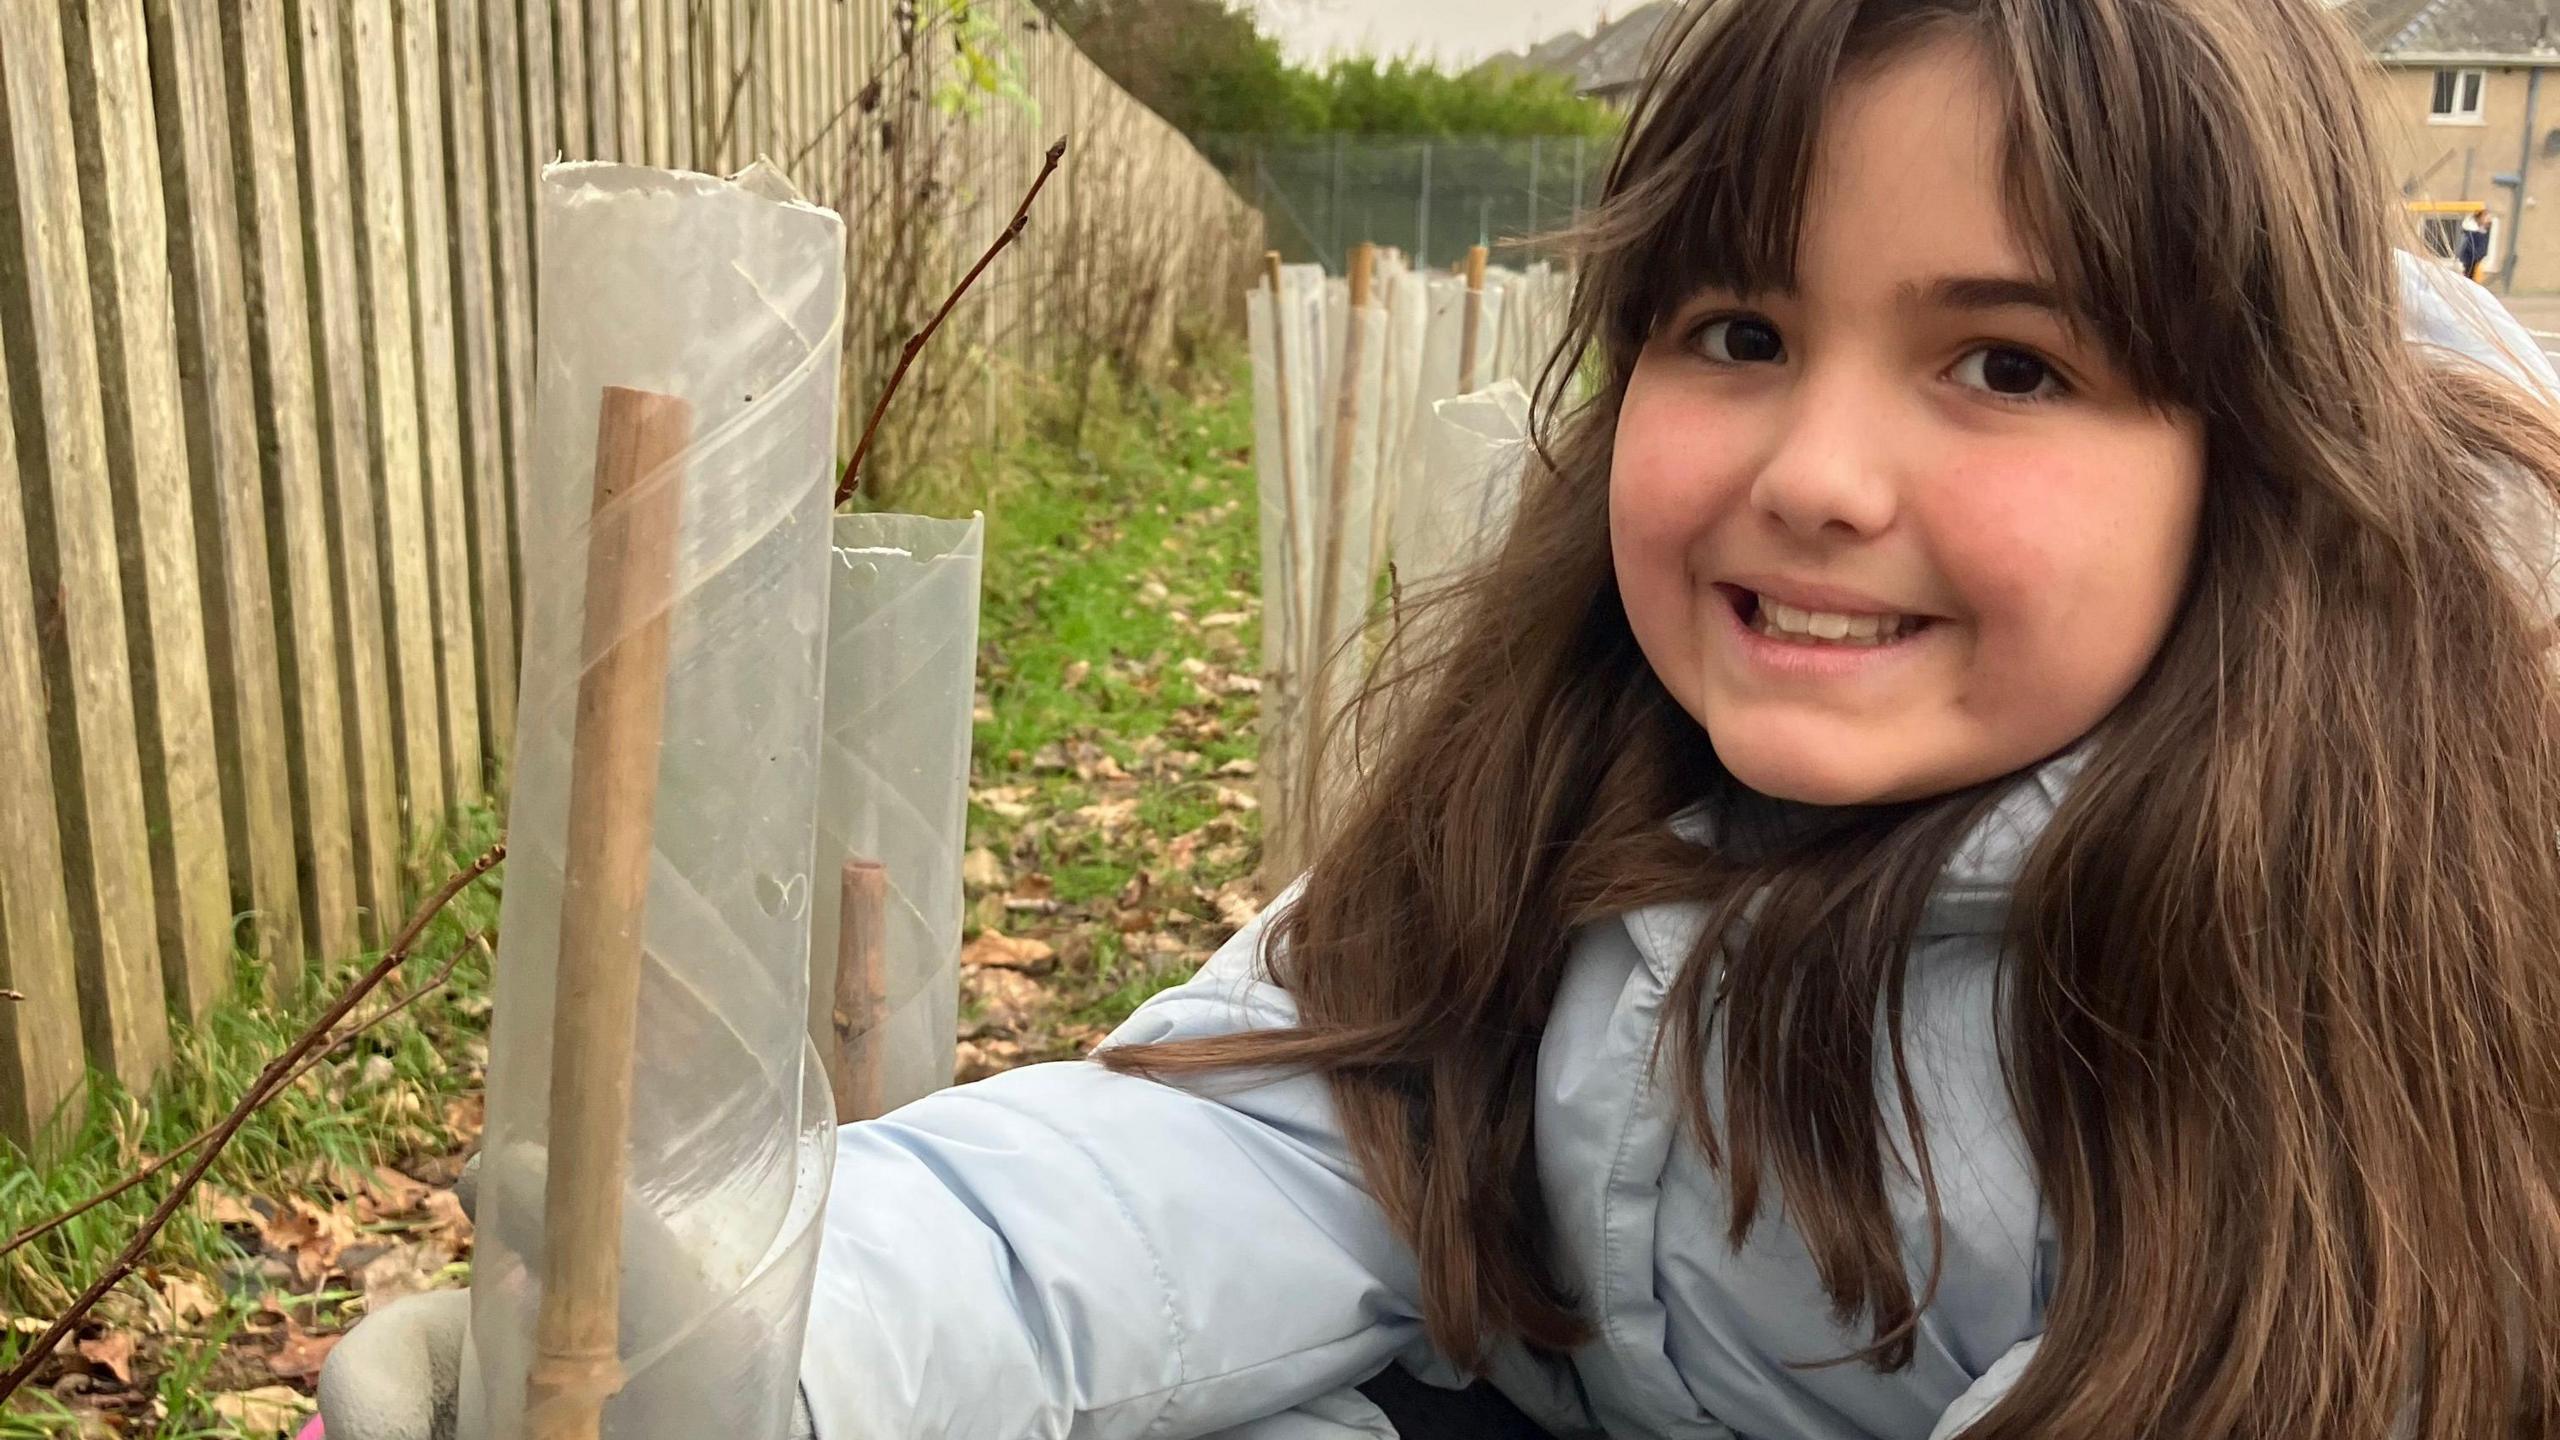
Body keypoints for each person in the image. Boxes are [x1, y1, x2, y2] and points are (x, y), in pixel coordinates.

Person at [317, 1, 2560, 1437]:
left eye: (2003, 366)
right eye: (1734, 329)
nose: (1810, 473)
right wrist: (764, 1336)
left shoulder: (2324, 977)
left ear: (2246, 467)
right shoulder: (1577, 777)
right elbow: (1276, 1133)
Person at [2462, 206, 2493, 280]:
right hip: (2471, 259)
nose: (2488, 220)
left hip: (2476, 259)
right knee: (2469, 276)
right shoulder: (2473, 233)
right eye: (2485, 216)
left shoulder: (2483, 232)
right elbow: (2470, 247)